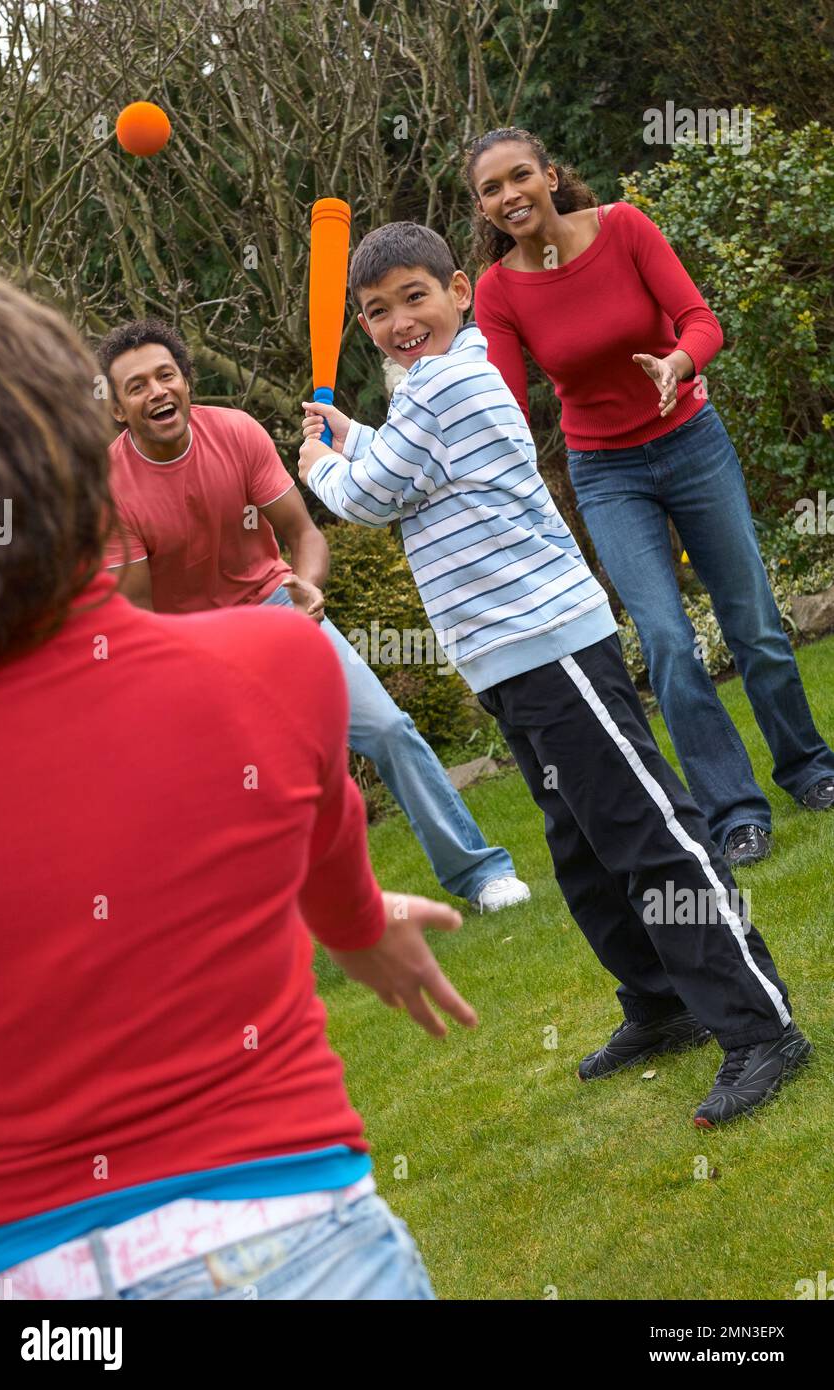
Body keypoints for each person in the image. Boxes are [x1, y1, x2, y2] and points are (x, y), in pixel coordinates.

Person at [0, 270, 478, 1301]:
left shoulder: (266, 629)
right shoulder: (273, 669)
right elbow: (335, 880)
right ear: (83, 451)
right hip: (303, 1244)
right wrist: (359, 924)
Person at [297, 220, 813, 1129]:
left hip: (546, 641)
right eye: (375, 312)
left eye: (414, 296)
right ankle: (658, 1001)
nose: (397, 321)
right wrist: (356, 436)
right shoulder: (427, 396)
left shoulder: (449, 379)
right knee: (582, 845)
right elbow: (411, 471)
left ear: (460, 292)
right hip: (503, 653)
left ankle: (757, 1023)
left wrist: (322, 463)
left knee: (648, 831)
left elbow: (371, 495)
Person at [465, 126, 834, 868]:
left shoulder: (624, 228)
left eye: (518, 177)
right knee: (665, 642)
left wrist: (675, 361)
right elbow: (505, 406)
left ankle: (809, 769)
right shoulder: (498, 290)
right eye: (490, 189)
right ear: (482, 207)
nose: (509, 196)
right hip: (605, 473)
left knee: (753, 622)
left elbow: (702, 322)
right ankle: (733, 812)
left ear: (548, 173)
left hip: (690, 443)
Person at [96, 318, 529, 915]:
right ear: (119, 408)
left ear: (187, 381)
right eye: (137, 386)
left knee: (388, 730)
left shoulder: (237, 433)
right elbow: (136, 613)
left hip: (276, 611)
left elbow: (303, 535)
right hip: (188, 647)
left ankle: (482, 875)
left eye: (166, 375)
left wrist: (306, 586)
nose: (157, 392)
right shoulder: (110, 488)